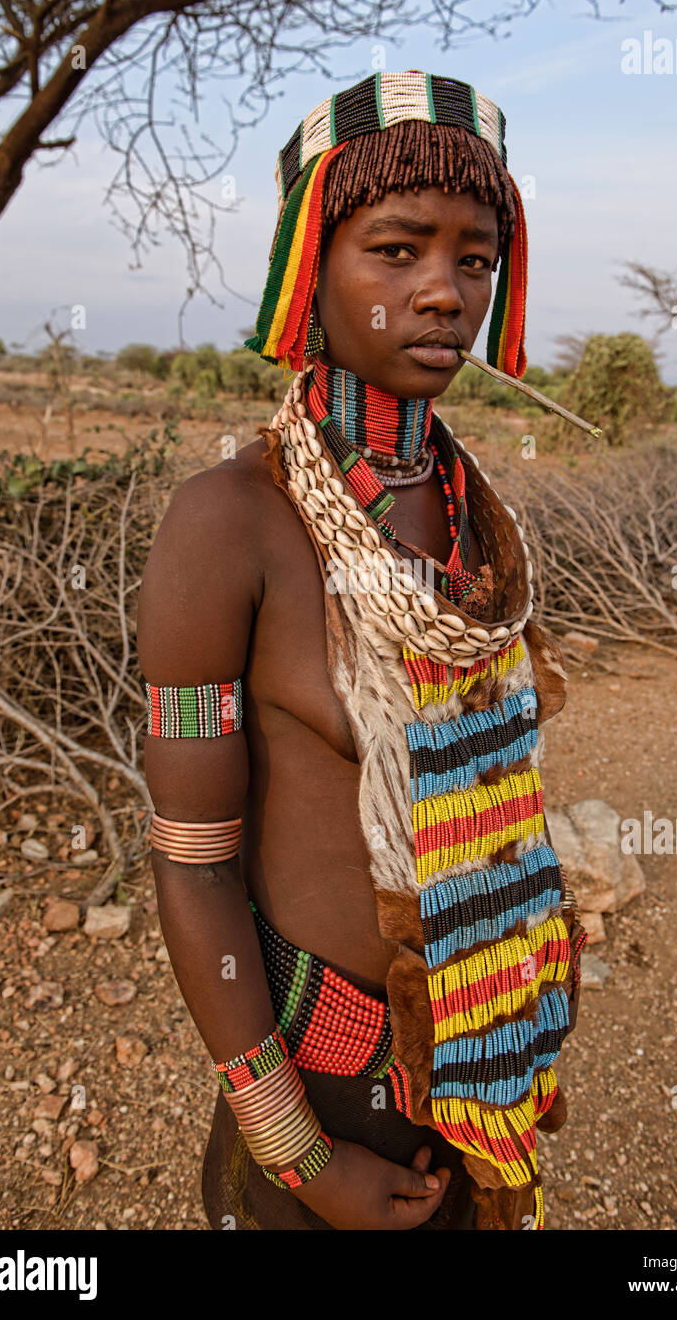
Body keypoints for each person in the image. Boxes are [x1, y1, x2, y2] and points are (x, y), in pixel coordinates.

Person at [137, 69, 587, 1232]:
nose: (444, 293)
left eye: (475, 258)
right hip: (325, 1093)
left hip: (485, 1071)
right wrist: (299, 1155)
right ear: (309, 265)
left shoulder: (480, 520)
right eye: (396, 249)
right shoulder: (225, 526)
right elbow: (191, 865)